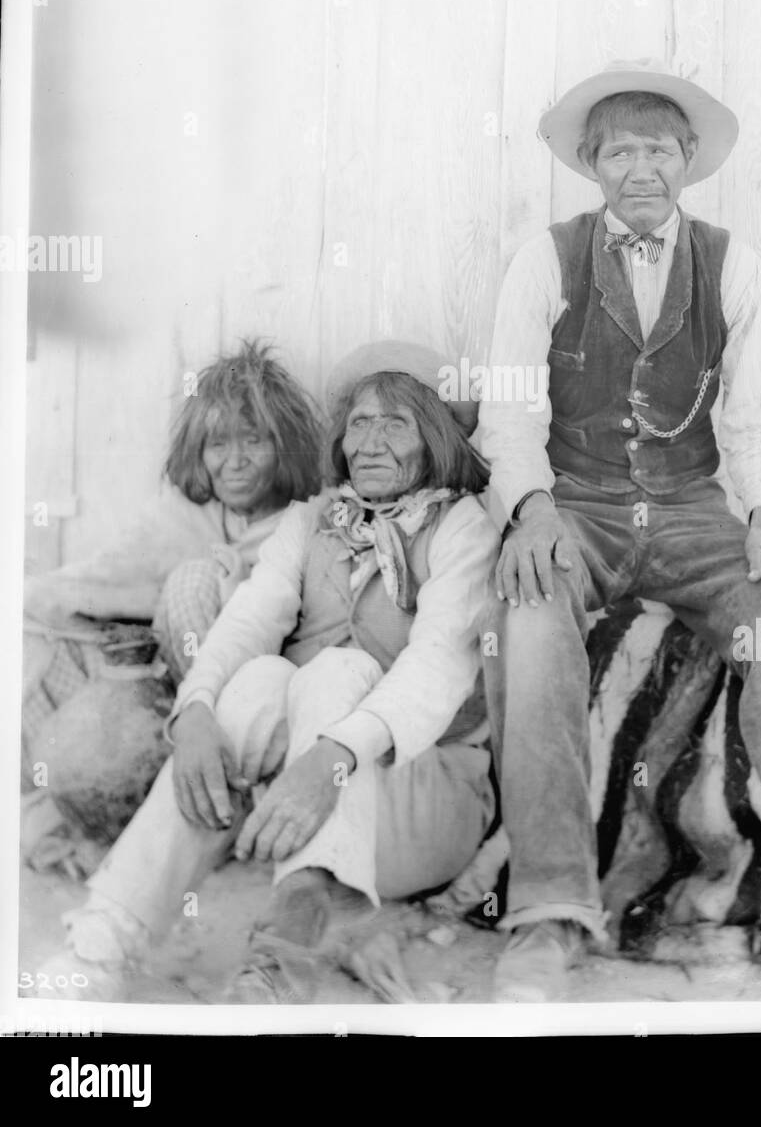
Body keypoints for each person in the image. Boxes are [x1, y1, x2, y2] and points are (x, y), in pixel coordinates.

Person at [478, 58, 761, 1002]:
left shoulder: (733, 263)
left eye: (657, 150)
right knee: (527, 622)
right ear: (592, 167)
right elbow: (510, 411)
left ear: (687, 161)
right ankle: (551, 910)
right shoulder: (543, 257)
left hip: (692, 509)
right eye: (617, 152)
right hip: (579, 506)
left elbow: (760, 416)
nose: (639, 168)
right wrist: (529, 509)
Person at [40, 341, 498, 1004]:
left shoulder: (462, 529)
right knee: (252, 680)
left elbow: (434, 669)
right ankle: (104, 940)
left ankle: (286, 952)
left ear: (433, 440)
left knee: (338, 669)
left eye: (395, 423)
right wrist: (194, 709)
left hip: (420, 811)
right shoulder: (312, 520)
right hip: (300, 806)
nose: (370, 442)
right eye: (360, 423)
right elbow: (249, 619)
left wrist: (333, 758)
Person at [22, 339, 325, 866]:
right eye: (216, 445)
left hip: (247, 711)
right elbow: (104, 578)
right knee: (30, 641)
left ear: (285, 446)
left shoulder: (306, 522)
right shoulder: (186, 513)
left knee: (191, 581)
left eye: (253, 441)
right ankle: (61, 818)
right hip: (168, 695)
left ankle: (228, 804)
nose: (233, 462)